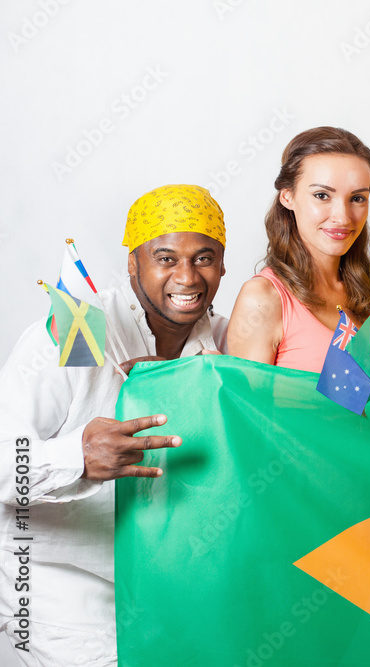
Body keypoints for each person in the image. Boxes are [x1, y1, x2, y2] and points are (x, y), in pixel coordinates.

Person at [0, 184, 228, 666]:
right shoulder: (76, 330)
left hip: (173, 591)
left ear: (224, 264)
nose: (186, 276)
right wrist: (75, 459)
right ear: (133, 264)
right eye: (165, 258)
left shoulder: (230, 341)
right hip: (63, 589)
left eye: (204, 257)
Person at [227, 127, 370, 372]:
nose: (343, 217)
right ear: (287, 197)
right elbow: (246, 408)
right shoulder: (263, 298)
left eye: (357, 198)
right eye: (322, 195)